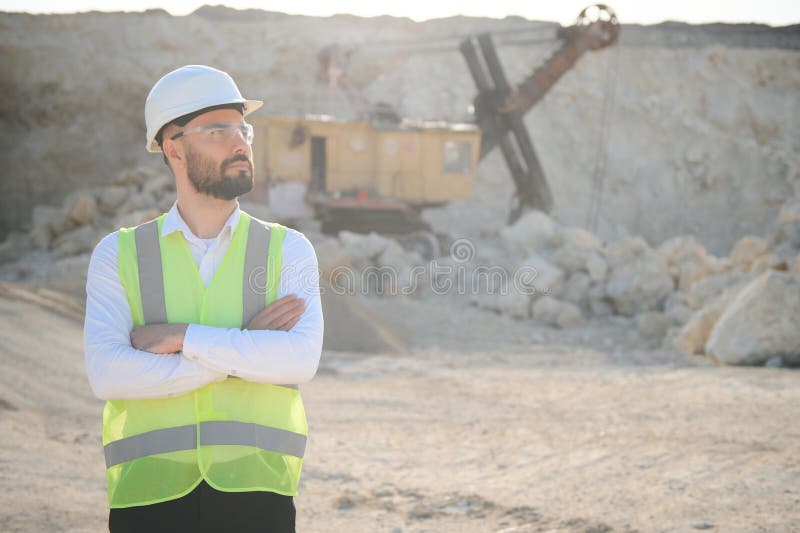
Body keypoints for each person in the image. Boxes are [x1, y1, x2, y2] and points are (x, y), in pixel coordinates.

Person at [83, 65, 323, 532]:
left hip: (258, 491)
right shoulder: (118, 254)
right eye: (218, 131)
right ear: (173, 148)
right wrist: (243, 347)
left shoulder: (288, 249)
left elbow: (299, 360)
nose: (240, 143)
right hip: (149, 493)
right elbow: (108, 373)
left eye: (243, 130)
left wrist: (183, 337)